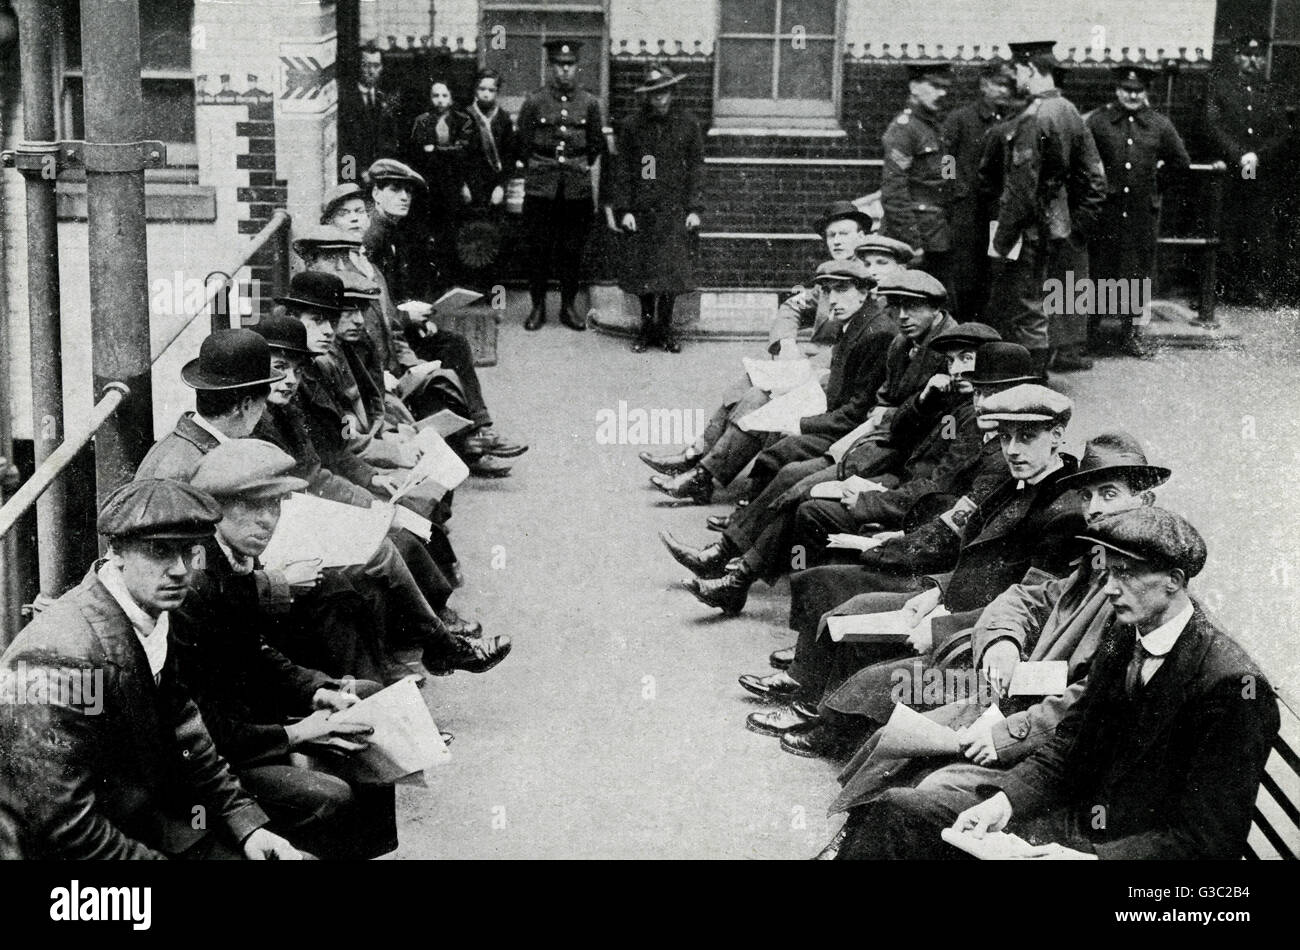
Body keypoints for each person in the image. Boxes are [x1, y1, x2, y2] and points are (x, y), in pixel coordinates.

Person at [840, 507, 1279, 860]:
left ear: (1174, 582)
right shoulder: (1128, 634)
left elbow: (1207, 845)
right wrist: (1003, 802)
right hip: (1074, 819)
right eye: (1106, 572)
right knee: (896, 808)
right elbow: (1069, 747)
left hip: (1119, 851)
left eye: (1125, 573)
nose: (1109, 588)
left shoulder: (1230, 688)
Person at [819, 431, 1169, 858]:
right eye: (1088, 495)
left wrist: (1009, 731)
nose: (1094, 509)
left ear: (1146, 502)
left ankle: (862, 840)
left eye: (1110, 494)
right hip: (1022, 703)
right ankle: (854, 838)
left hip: (1059, 756)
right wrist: (1003, 640)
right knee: (898, 740)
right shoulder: (1103, 558)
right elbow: (1027, 597)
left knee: (925, 781)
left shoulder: (1145, 588)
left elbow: (1094, 698)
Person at [751, 384, 1083, 753]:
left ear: (1057, 436)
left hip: (985, 638)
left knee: (876, 670)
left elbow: (1035, 606)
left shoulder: (1064, 512)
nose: (1013, 449)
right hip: (953, 602)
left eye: (1027, 437)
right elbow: (970, 554)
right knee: (850, 612)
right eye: (1005, 437)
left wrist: (942, 625)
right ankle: (814, 702)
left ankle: (831, 725)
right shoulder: (1012, 482)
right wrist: (936, 591)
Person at [0, 478, 300, 859]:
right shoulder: (68, 659)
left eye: (189, 552)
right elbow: (64, 826)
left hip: (147, 815)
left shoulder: (149, 611)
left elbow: (185, 729)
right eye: (159, 551)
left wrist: (246, 824)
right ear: (117, 552)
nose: (179, 571)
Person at [665, 271, 958, 612]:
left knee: (800, 488)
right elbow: (885, 405)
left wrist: (878, 426)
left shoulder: (949, 353)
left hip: (901, 463)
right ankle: (729, 563)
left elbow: (925, 429)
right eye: (898, 307)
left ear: (937, 310)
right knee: (793, 478)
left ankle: (733, 570)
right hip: (877, 445)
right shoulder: (903, 343)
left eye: (914, 308)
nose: (903, 317)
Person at [177, 440, 401, 860]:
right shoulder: (195, 585)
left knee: (365, 699)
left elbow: (254, 650)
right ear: (215, 508)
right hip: (207, 760)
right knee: (326, 797)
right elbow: (202, 725)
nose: (267, 521)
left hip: (243, 722)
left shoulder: (234, 556)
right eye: (251, 507)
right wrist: (297, 733)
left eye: (275, 506)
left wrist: (317, 688)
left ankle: (366, 851)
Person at [651, 259, 892, 504]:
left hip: (832, 392)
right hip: (821, 377)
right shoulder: (836, 284)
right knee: (752, 388)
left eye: (840, 290)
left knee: (764, 402)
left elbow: (859, 393)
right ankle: (699, 460)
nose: (831, 298)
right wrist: (787, 344)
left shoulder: (886, 304)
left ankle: (706, 474)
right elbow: (792, 308)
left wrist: (810, 380)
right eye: (832, 236)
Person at [320, 189, 528, 464]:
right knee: (437, 384)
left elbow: (392, 325)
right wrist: (380, 374)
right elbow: (343, 340)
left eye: (359, 212)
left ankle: (473, 439)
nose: (355, 220)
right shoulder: (334, 272)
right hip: (368, 375)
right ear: (331, 223)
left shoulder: (370, 267)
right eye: (344, 214)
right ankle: (466, 448)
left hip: (390, 364)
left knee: (440, 373)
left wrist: (411, 363)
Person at [986, 40, 1107, 374]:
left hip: (1031, 229)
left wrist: (1001, 243)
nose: (1016, 79)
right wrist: (1075, 224)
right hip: (1058, 225)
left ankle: (1033, 381)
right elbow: (1097, 178)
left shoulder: (1034, 117)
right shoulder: (1069, 110)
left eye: (1018, 72)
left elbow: (1021, 192)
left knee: (1028, 305)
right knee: (1044, 302)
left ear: (1029, 70)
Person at [1086, 65, 1190, 355]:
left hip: (1141, 213)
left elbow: (1180, 161)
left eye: (1137, 91)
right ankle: (1090, 333)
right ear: (1117, 90)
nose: (1132, 95)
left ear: (1146, 92)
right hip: (1105, 211)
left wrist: (1157, 184)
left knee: (1134, 273)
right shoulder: (1099, 121)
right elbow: (1084, 160)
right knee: (1100, 269)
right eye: (1126, 90)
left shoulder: (1159, 124)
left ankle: (1129, 334)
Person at [611, 63, 704, 353]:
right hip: (642, 211)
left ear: (672, 92)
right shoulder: (632, 126)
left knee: (670, 275)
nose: (660, 99)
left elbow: (697, 169)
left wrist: (694, 208)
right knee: (644, 274)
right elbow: (623, 170)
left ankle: (665, 331)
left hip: (674, 210)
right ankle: (646, 329)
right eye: (654, 94)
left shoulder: (688, 124)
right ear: (646, 97)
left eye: (664, 93)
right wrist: (624, 210)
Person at [516, 39, 605, 331]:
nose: (564, 71)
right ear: (550, 67)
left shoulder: (590, 103)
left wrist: (574, 166)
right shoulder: (534, 101)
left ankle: (568, 307)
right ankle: (538, 307)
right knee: (538, 248)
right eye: (559, 65)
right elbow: (523, 145)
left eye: (570, 65)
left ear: (577, 67)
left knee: (572, 250)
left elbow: (594, 146)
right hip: (541, 188)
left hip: (576, 190)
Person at [1204, 33, 1299, 305]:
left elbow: (1283, 131)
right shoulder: (1220, 89)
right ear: (1235, 56)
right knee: (1225, 227)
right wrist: (1238, 154)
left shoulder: (1271, 92)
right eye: (1246, 54)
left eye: (1258, 56)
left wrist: (1258, 155)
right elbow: (1213, 126)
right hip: (1228, 173)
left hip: (1260, 174)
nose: (1252, 60)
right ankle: (1218, 289)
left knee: (1257, 229)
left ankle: (1252, 288)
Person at [942, 61, 1016, 321]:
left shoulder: (1014, 121)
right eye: (999, 84)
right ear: (984, 85)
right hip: (968, 210)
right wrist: (954, 187)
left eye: (1010, 85)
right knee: (967, 271)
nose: (1005, 91)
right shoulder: (961, 119)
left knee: (996, 270)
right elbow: (947, 160)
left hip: (999, 208)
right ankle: (964, 324)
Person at [880, 62, 954, 292]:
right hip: (917, 240)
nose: (942, 93)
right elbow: (893, 192)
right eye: (933, 86)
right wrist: (913, 243)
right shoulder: (904, 130)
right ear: (914, 87)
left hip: (939, 235)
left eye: (945, 87)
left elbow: (947, 175)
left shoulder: (935, 127)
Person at [408, 78, 473, 293]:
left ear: (452, 98)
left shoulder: (463, 120)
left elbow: (463, 150)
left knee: (450, 234)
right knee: (426, 235)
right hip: (427, 186)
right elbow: (417, 152)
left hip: (453, 184)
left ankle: (449, 282)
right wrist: (442, 152)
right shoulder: (422, 121)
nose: (440, 100)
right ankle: (428, 284)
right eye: (435, 95)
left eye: (444, 95)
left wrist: (434, 150)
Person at [363, 158, 434, 305]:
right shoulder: (372, 234)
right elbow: (371, 297)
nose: (404, 197)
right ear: (376, 194)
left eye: (408, 191)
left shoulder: (391, 230)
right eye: (395, 189)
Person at [338, 44, 399, 178]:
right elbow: (344, 145)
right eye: (366, 65)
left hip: (380, 173)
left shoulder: (386, 97)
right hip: (352, 173)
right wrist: (359, 172)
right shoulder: (344, 99)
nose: (371, 71)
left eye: (376, 66)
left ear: (382, 68)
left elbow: (390, 140)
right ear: (358, 67)